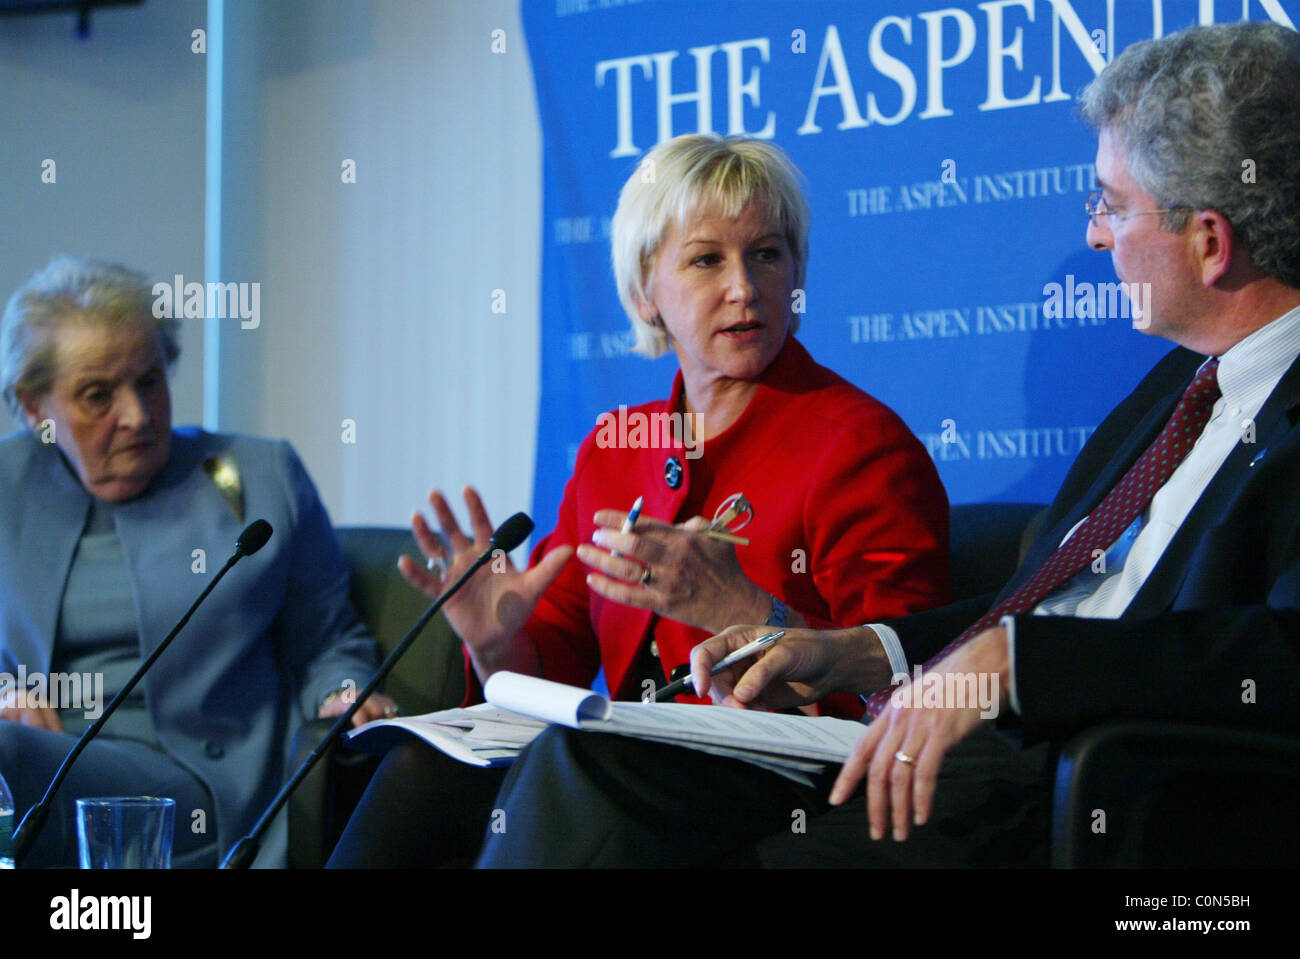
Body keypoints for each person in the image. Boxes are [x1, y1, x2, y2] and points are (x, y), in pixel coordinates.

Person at [474, 21, 1300, 868]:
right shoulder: (1169, 396)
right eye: (704, 260)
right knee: (483, 767)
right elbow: (1019, 602)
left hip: (1091, 785)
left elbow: (1277, 650)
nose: (1095, 235)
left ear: (1208, 242)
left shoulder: (856, 442)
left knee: (608, 776)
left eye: (1112, 206)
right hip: (975, 750)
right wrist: (852, 650)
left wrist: (1018, 664)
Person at [325, 134, 949, 867]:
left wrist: (744, 612)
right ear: (645, 291)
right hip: (633, 766)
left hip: (785, 780)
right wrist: (498, 639)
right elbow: (549, 667)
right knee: (418, 767)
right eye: (707, 259)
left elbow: (909, 678)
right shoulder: (614, 449)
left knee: (579, 768)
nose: (744, 287)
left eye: (768, 254)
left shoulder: (860, 443)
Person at [0, 256, 394, 867]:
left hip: (196, 784)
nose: (135, 415)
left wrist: (345, 693)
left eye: (149, 381)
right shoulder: (7, 487)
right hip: (38, 768)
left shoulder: (261, 477)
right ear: (34, 408)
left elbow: (327, 640)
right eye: (97, 396)